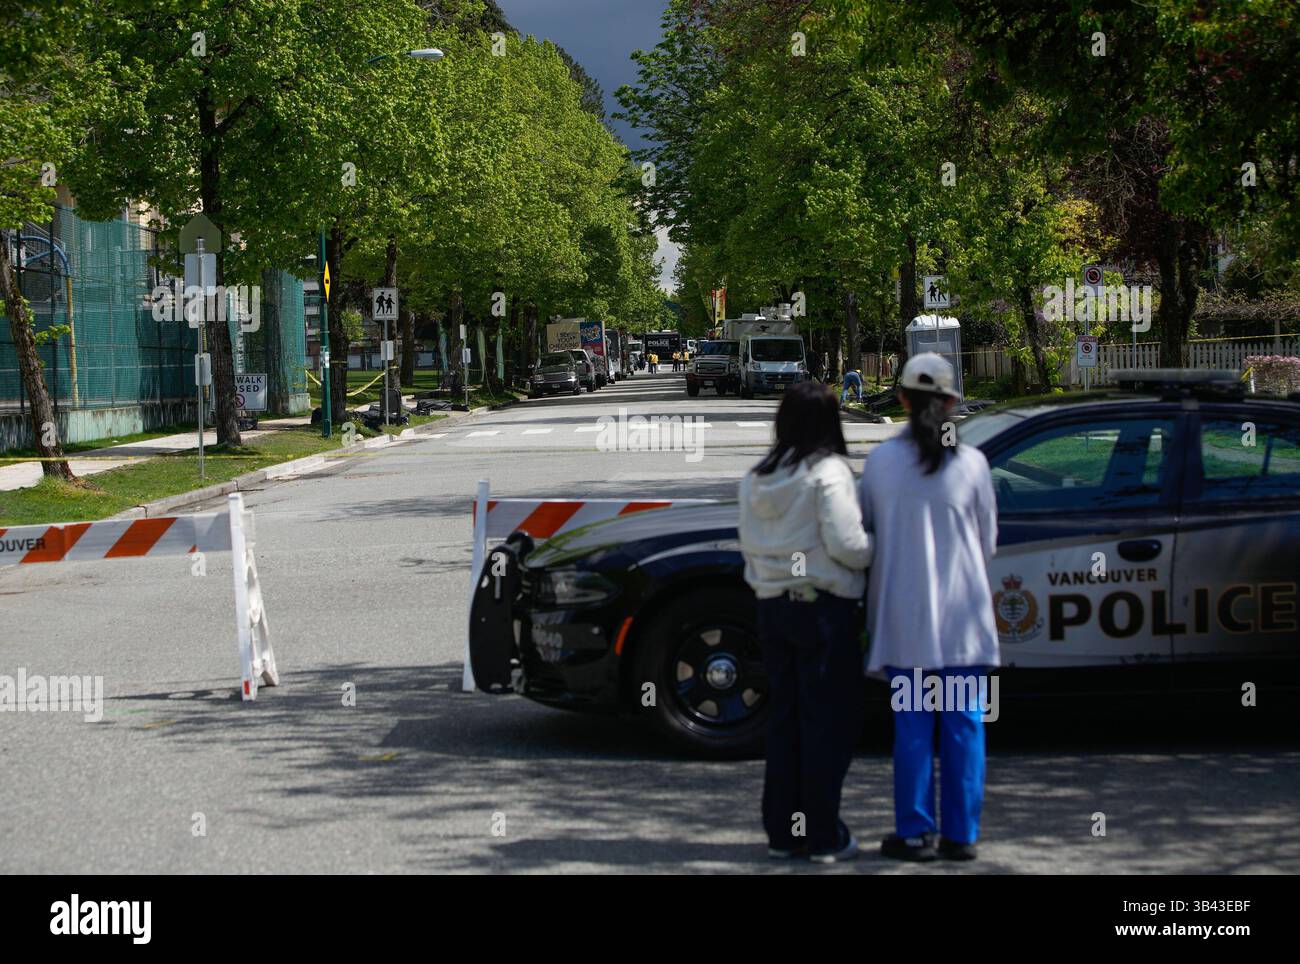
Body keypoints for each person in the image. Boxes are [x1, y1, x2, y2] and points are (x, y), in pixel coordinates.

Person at [857, 353, 998, 862]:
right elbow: (987, 545)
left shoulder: (880, 463)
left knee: (913, 727)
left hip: (905, 621)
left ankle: (914, 832)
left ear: (900, 400)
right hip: (962, 621)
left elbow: (866, 533)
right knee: (963, 724)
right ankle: (961, 836)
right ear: (953, 401)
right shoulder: (974, 464)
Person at [739, 381, 874, 864]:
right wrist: (878, 549)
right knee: (828, 724)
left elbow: (749, 546)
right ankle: (822, 834)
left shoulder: (757, 476)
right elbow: (847, 545)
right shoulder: (829, 472)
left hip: (772, 607)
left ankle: (782, 831)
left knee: (785, 721)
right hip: (824, 611)